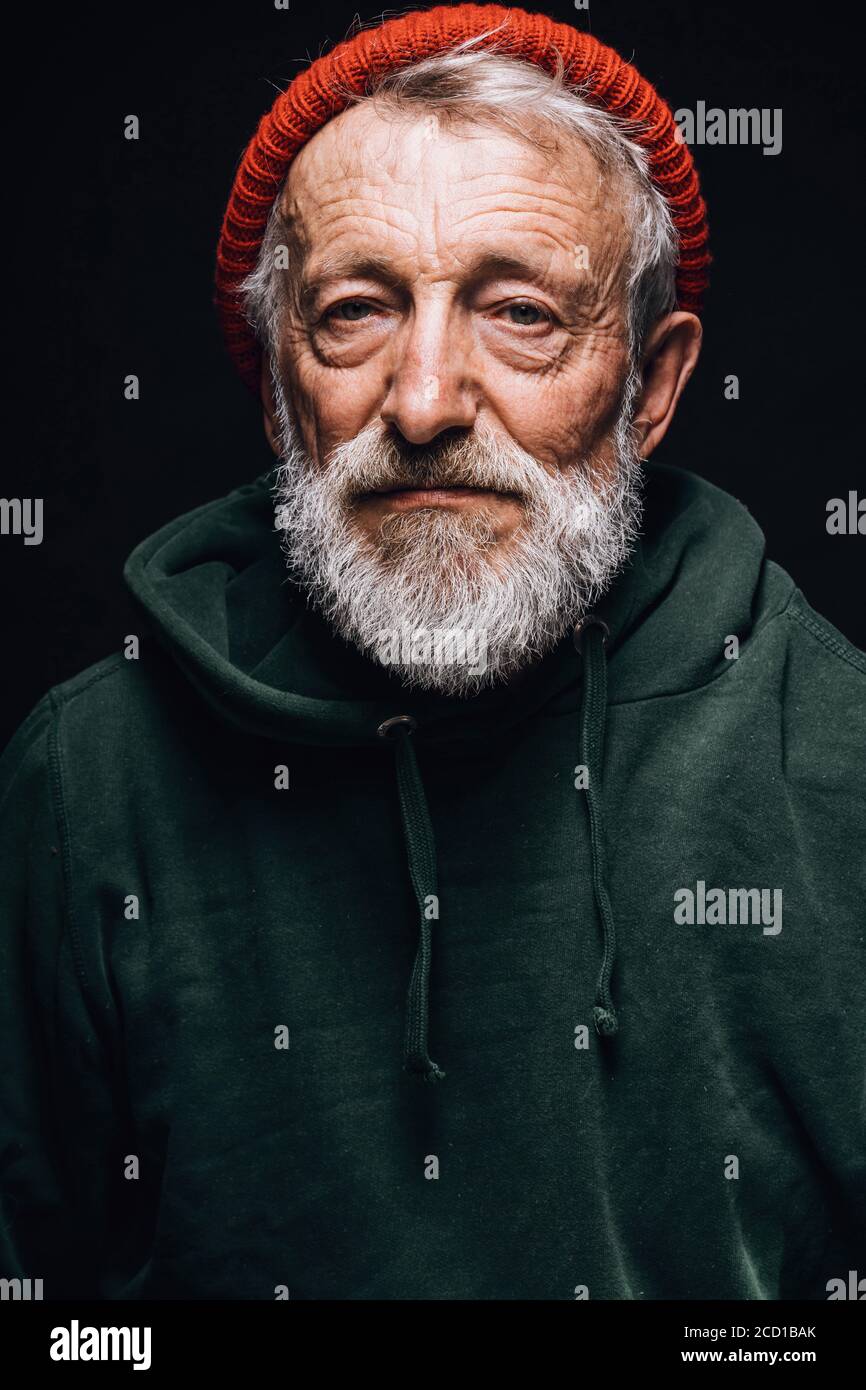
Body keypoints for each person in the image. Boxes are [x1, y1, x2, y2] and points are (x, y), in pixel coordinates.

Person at [1, 4, 863, 1301]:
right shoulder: (86, 781)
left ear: (651, 381)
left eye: (519, 313)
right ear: (281, 384)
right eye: (354, 311)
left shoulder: (842, 772)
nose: (420, 402)